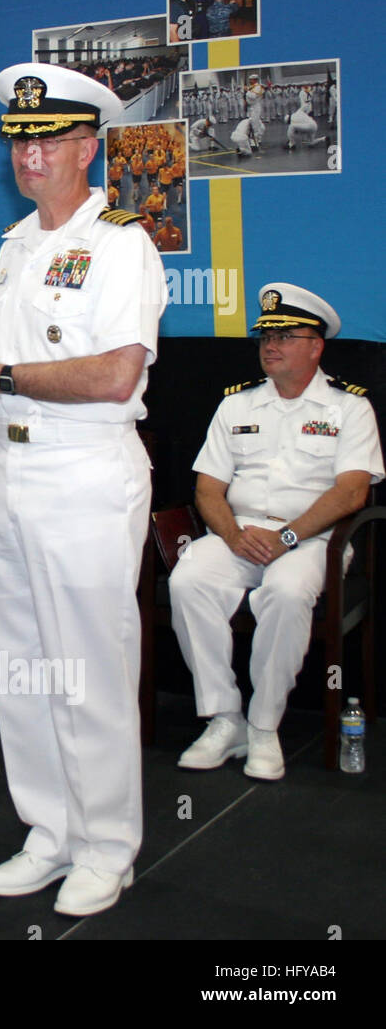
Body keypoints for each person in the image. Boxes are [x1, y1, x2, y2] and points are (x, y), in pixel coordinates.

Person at [0, 63, 167, 915]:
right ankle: (48, 829)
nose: (30, 154)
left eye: (49, 139)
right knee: (23, 663)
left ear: (87, 146)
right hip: (8, 466)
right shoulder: (14, 247)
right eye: (20, 139)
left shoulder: (122, 243)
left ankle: (108, 843)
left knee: (90, 668)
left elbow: (113, 374)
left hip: (85, 470)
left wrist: (2, 378)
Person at [170, 284, 382, 780]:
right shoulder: (236, 406)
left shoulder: (348, 409)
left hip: (311, 541)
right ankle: (225, 719)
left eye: (286, 336)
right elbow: (208, 490)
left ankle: (265, 725)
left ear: (316, 345)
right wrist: (232, 535)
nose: (271, 345)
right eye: (266, 336)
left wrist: (286, 537)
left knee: (286, 593)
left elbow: (351, 494)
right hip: (240, 533)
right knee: (188, 580)